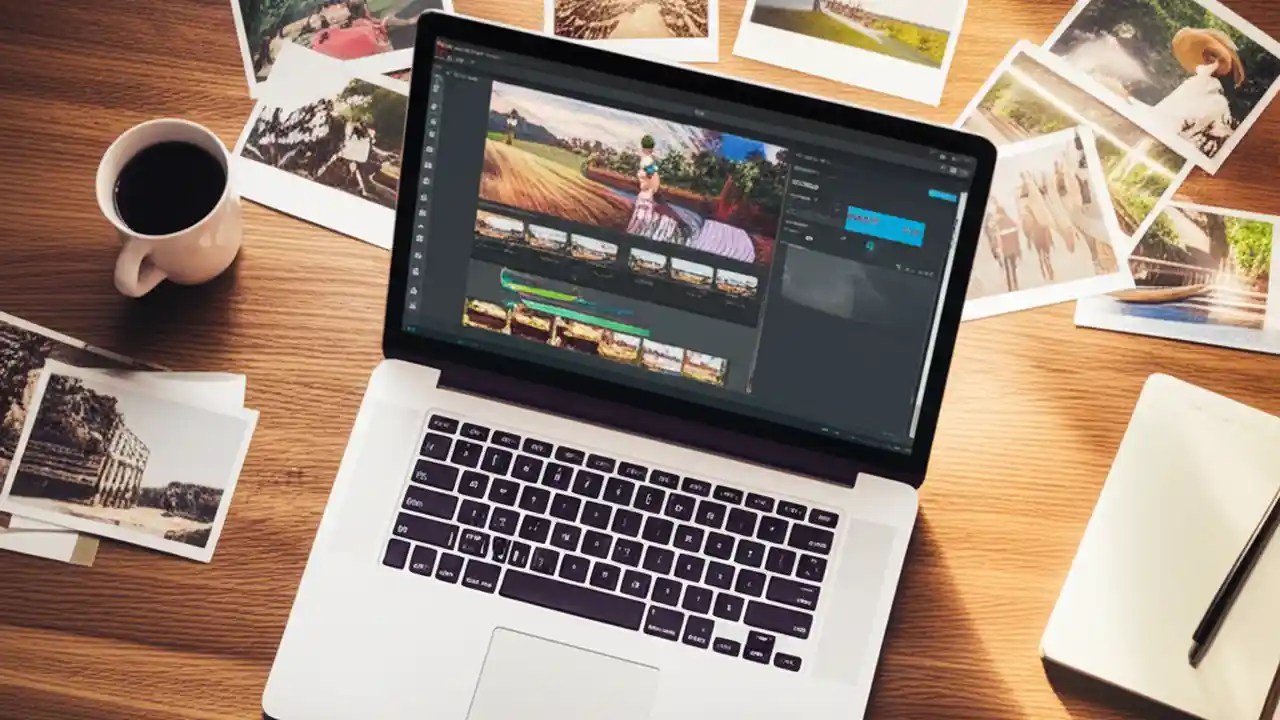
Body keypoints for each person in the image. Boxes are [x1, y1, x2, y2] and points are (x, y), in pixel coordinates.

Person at [987, 202, 1022, 293]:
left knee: (1007, 269)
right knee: (1013, 268)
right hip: (1012, 250)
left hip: (1005, 251)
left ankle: (1010, 287)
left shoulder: (998, 224)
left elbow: (995, 237)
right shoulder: (1010, 221)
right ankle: (1015, 285)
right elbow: (1016, 234)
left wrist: (997, 249)